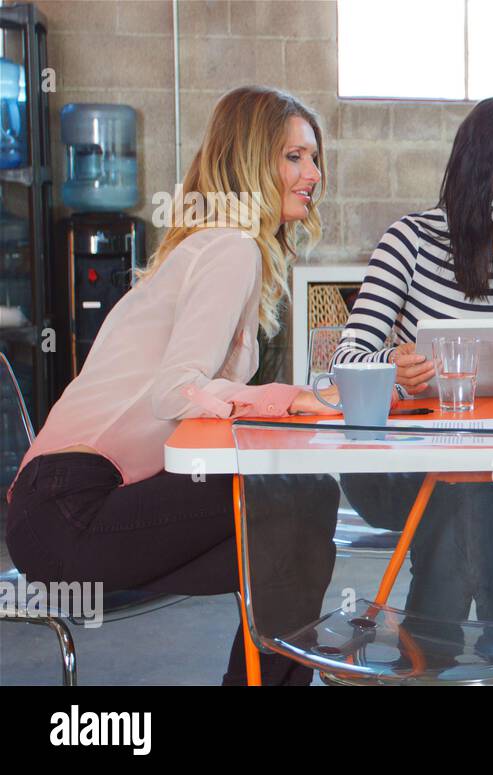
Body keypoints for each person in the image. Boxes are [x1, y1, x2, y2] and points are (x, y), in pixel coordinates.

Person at [4, 86, 344, 686]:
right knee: (300, 501)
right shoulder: (229, 247)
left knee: (294, 540)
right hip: (67, 507)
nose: (312, 174)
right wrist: (290, 398)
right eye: (294, 157)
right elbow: (176, 392)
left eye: (314, 158)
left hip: (67, 508)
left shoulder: (210, 248)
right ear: (248, 160)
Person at [331, 98, 493, 647]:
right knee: (475, 486)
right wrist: (393, 369)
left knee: (470, 484)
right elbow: (346, 361)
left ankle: (427, 655)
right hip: (395, 467)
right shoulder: (410, 241)